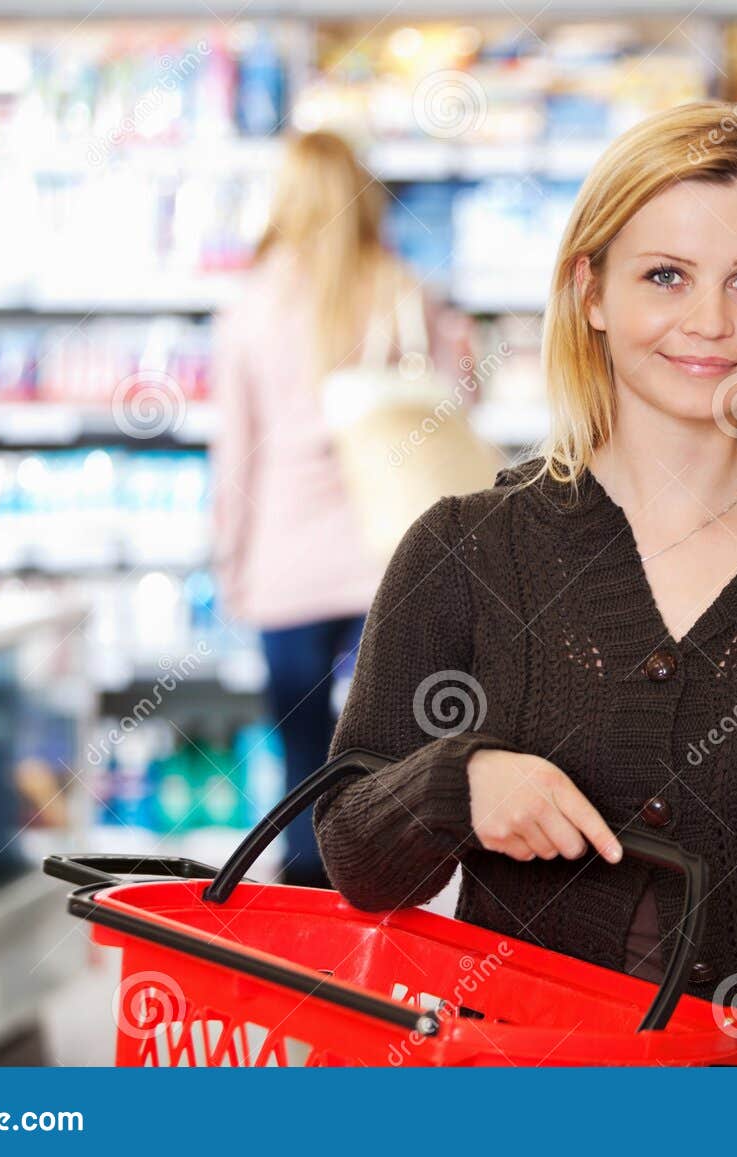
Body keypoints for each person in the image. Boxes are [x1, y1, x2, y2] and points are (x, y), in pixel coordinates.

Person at [310, 101, 737, 1065]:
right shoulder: (464, 552)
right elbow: (353, 856)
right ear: (591, 291)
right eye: (666, 275)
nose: (711, 322)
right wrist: (459, 783)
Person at [210, 131, 475, 889]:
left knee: (301, 755)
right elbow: (458, 404)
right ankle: (379, 889)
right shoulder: (402, 289)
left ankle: (303, 897)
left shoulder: (250, 307)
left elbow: (236, 459)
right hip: (388, 560)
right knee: (382, 754)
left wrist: (230, 565)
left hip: (285, 566)